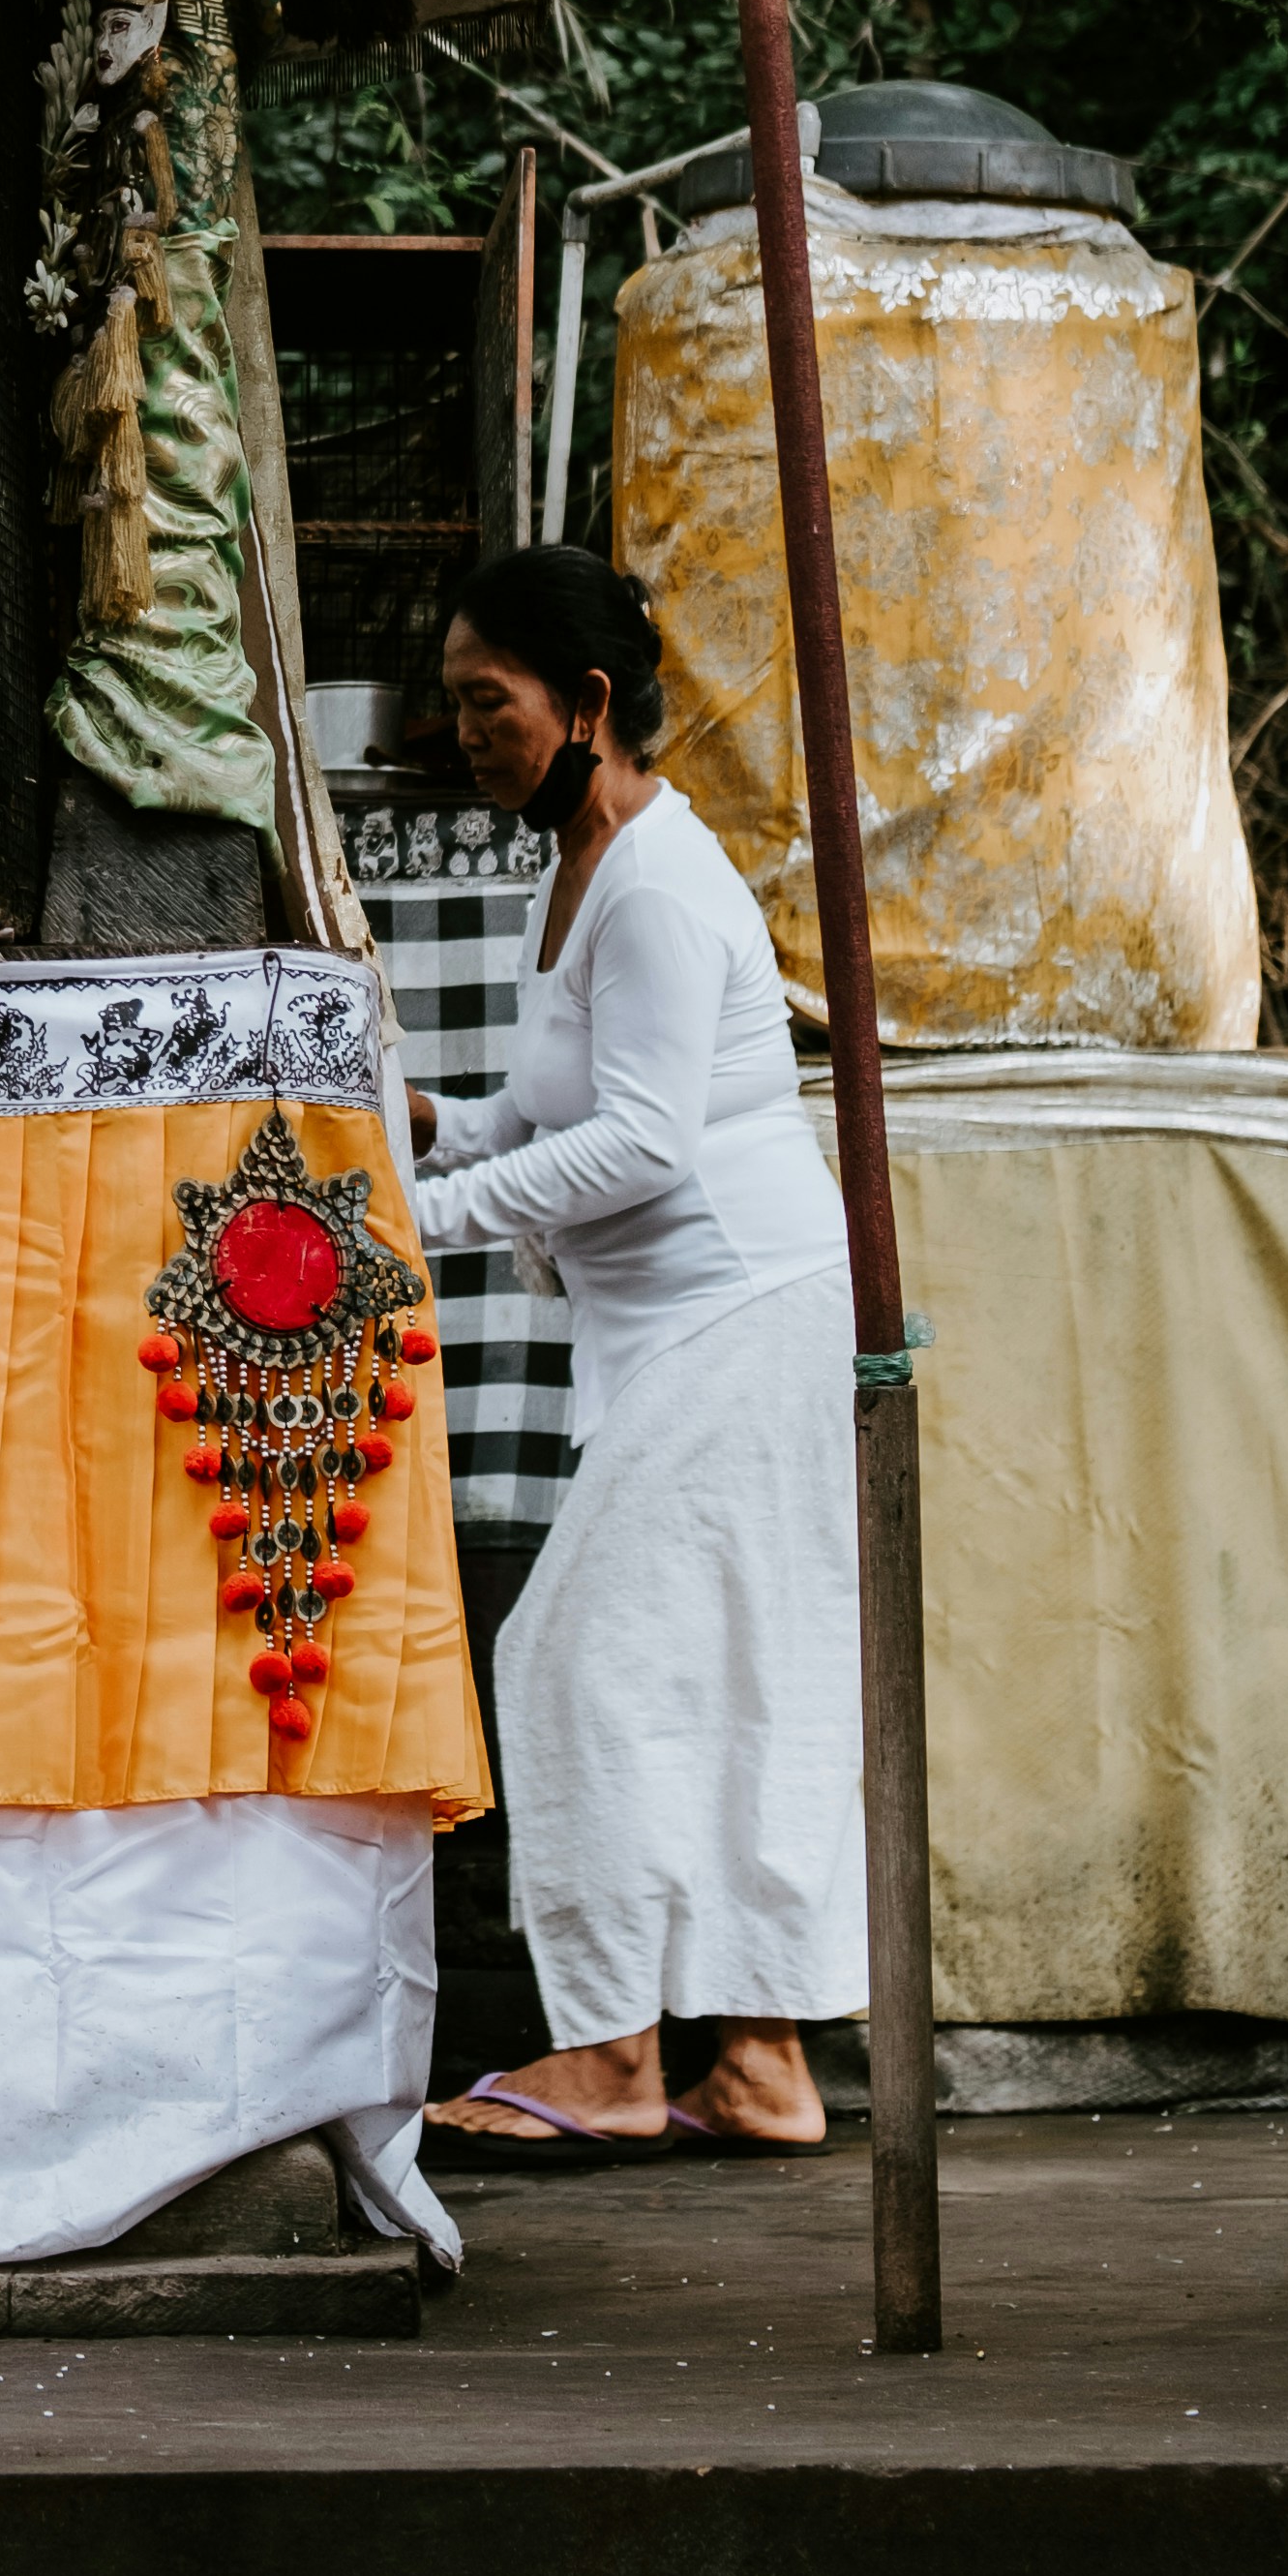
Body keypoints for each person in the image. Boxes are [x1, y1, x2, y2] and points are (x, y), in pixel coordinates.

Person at [403, 541, 862, 2164]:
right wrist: (427, 1127)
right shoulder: (582, 867)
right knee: (723, 1678)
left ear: (587, 703)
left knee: (568, 1659)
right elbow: (543, 1116)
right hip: (692, 1331)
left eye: (491, 703)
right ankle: (759, 2064)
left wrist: (422, 1218)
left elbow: (650, 1146)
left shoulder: (663, 881)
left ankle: (608, 2055)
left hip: (742, 1313)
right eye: (456, 704)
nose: (468, 732)